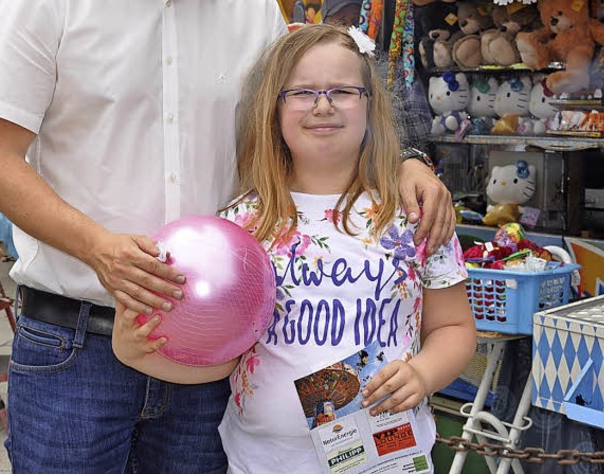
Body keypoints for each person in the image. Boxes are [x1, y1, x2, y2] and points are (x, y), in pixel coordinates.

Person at [0, 0, 452, 474]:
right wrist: (101, 250)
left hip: (219, 351)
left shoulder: (254, 11)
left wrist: (405, 161)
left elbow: (317, 114)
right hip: (77, 345)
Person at [114, 25, 477, 474]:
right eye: (302, 92)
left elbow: (455, 326)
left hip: (386, 457)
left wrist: (422, 374)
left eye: (343, 91)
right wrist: (134, 351)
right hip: (262, 461)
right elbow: (223, 361)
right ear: (275, 108)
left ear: (371, 103)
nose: (323, 105)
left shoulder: (415, 214)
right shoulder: (239, 226)